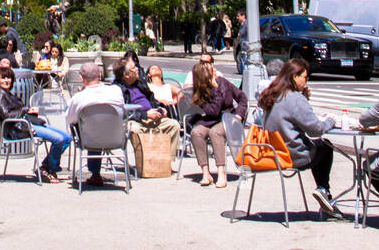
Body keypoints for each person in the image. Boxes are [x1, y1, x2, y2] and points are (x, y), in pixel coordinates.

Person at [257, 57, 341, 217]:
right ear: (295, 77)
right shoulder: (295, 98)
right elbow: (315, 129)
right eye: (305, 77)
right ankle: (323, 190)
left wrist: (303, 97)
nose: (306, 81)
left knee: (318, 147)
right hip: (293, 155)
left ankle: (323, 193)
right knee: (325, 145)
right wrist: (331, 121)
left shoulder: (272, 95)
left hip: (273, 152)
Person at [0, 65, 70, 182]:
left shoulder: (8, 94)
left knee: (67, 137)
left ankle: (45, 167)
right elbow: (8, 116)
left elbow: (17, 112)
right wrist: (26, 110)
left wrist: (31, 111)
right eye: (3, 78)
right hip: (17, 130)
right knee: (58, 139)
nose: (6, 80)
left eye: (8, 78)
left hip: (25, 124)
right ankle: (50, 168)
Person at [189, 59, 247, 188]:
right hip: (211, 119)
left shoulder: (223, 83)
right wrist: (215, 89)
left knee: (215, 133)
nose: (214, 71)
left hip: (227, 118)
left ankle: (221, 173)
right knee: (196, 132)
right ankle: (205, 172)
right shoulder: (200, 92)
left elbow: (242, 97)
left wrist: (239, 115)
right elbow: (214, 111)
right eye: (210, 71)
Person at [66, 61, 124, 186]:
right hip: (117, 138)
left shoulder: (79, 98)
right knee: (99, 126)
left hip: (89, 140)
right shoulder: (116, 91)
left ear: (81, 78)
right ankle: (95, 173)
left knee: (88, 126)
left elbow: (70, 120)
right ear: (100, 75)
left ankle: (95, 173)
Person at [113, 57, 179, 165]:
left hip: (152, 115)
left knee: (173, 125)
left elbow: (152, 98)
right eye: (134, 68)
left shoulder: (140, 83)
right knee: (135, 129)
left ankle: (166, 163)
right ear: (126, 75)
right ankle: (144, 163)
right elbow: (121, 112)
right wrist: (144, 114)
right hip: (135, 120)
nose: (138, 69)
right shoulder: (117, 89)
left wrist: (159, 107)